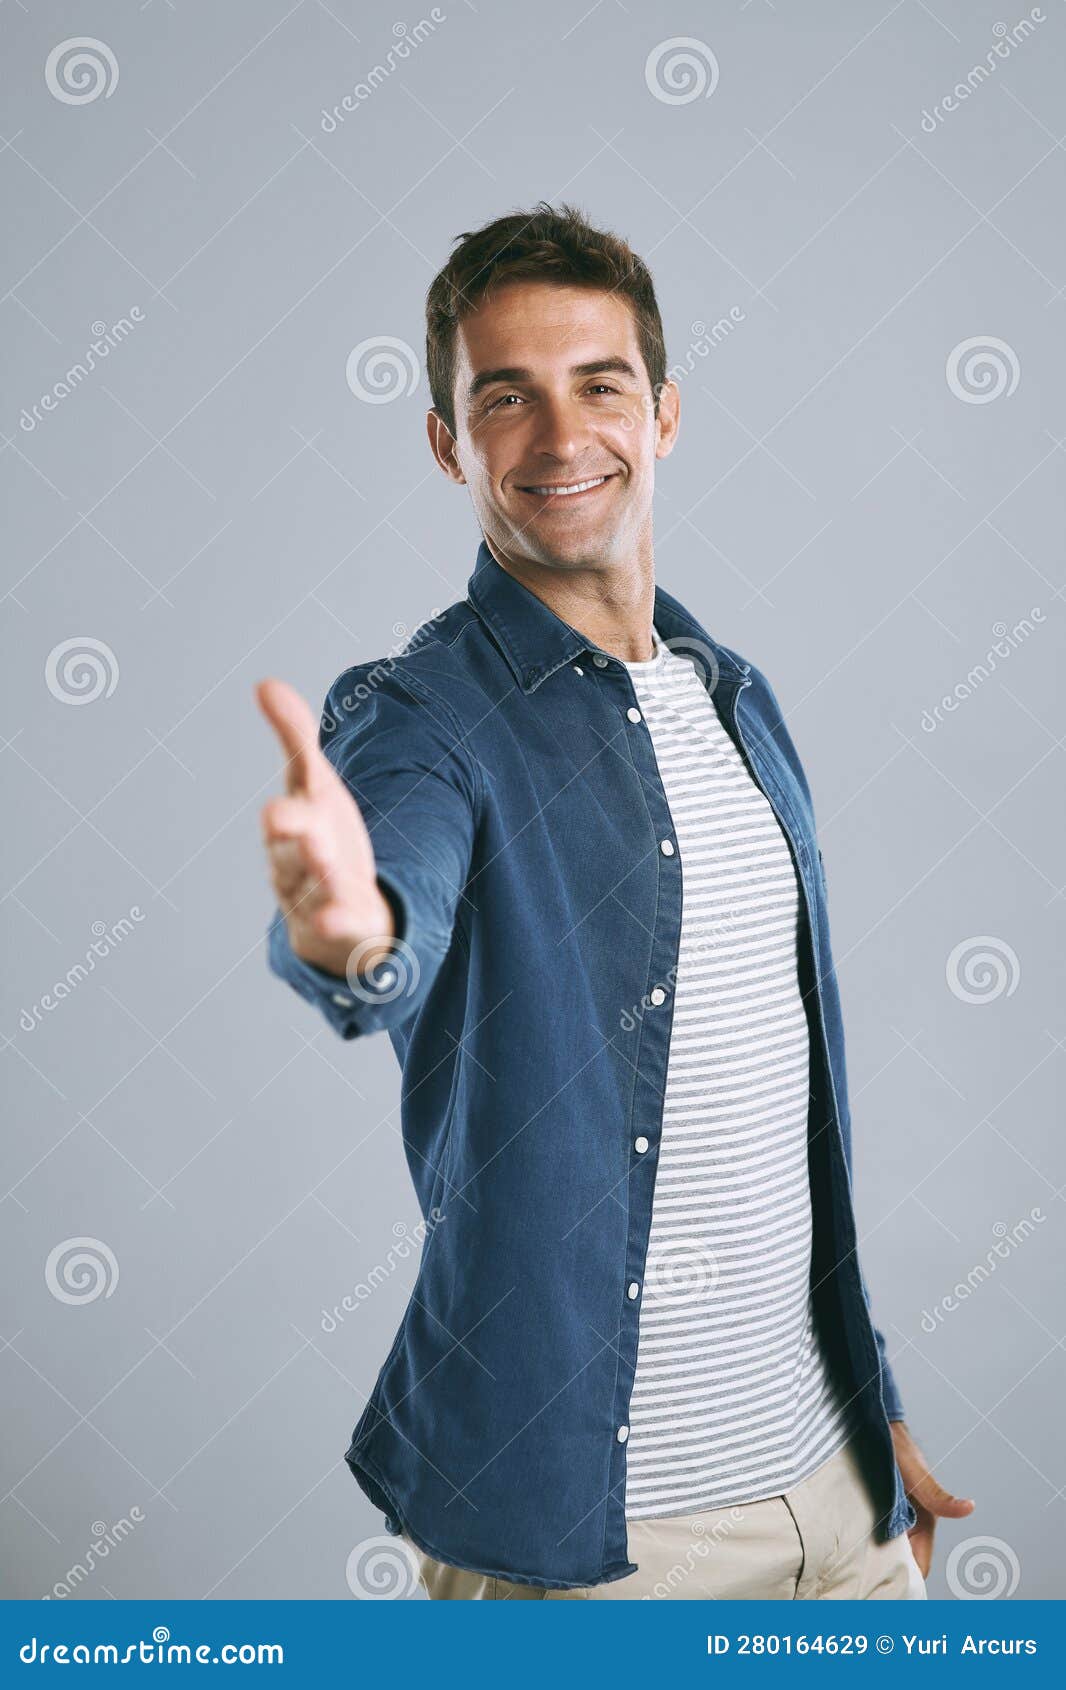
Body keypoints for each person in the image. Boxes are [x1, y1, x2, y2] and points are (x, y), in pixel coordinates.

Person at [256, 202, 973, 1599]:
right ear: (446, 441)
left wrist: (870, 1418)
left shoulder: (735, 699)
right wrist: (350, 930)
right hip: (591, 1549)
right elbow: (379, 899)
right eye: (502, 396)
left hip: (840, 1506)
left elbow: (780, 1118)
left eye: (599, 384)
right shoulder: (422, 719)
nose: (557, 434)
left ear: (664, 415)